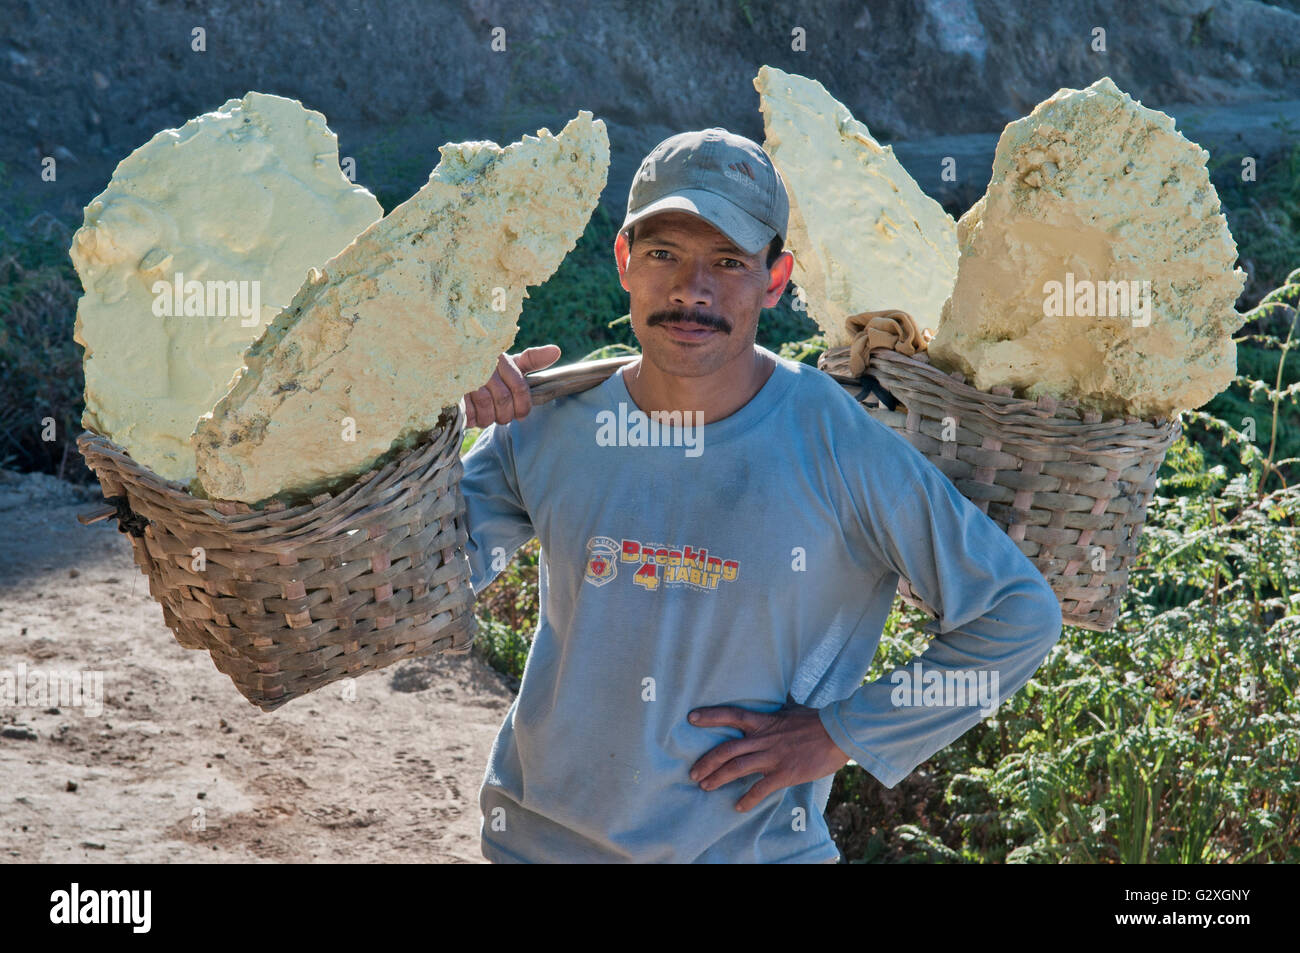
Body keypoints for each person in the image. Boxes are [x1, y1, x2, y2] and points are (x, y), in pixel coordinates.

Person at [457, 127, 1063, 863]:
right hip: (538, 845)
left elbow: (1018, 614)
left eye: (728, 261)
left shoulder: (837, 444)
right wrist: (427, 420)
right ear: (623, 261)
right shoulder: (550, 421)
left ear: (775, 280)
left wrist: (845, 731)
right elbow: (420, 579)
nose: (692, 288)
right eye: (664, 254)